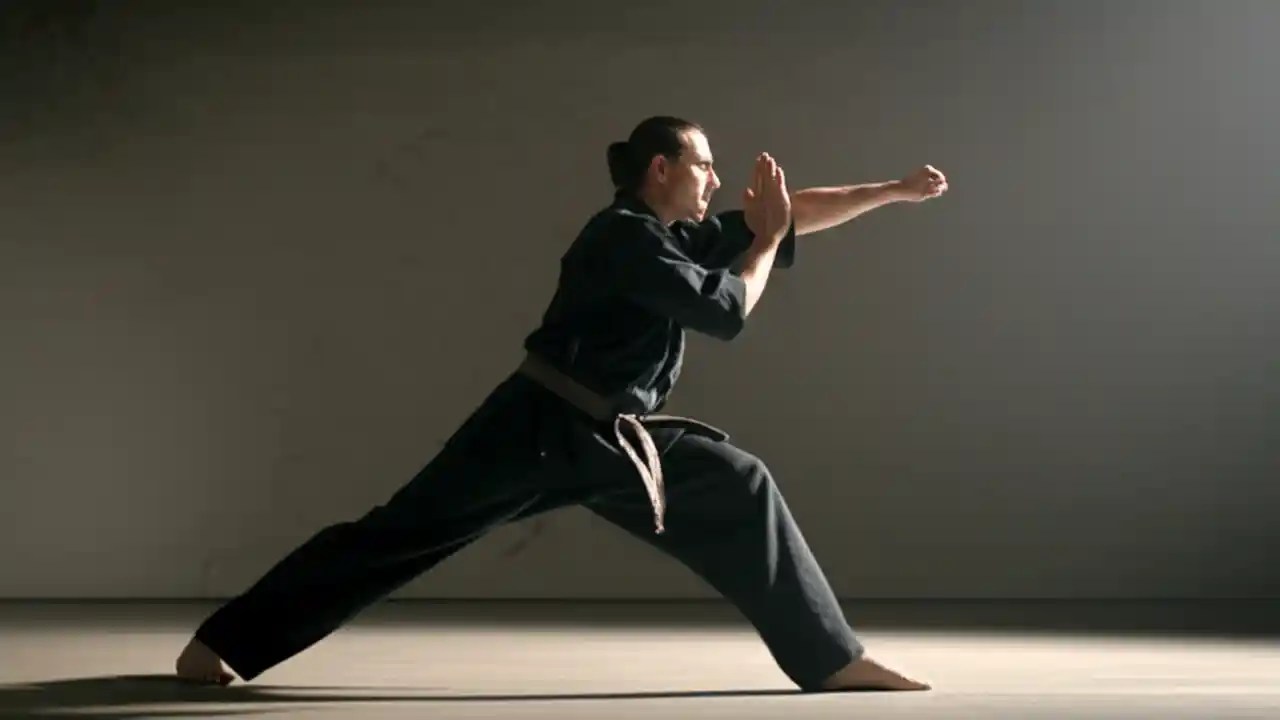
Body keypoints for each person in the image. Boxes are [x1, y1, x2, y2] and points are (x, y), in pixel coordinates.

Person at [175, 115, 948, 692]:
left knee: (740, 486)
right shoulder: (622, 238)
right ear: (660, 169)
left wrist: (893, 192)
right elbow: (728, 312)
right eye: (704, 165)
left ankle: (834, 660)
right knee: (398, 535)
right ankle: (222, 645)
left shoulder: (675, 237)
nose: (715, 179)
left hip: (617, 442)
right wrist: (767, 243)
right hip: (536, 429)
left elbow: (794, 212)